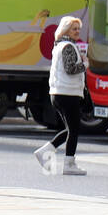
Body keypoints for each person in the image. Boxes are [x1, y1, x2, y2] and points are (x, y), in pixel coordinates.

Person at [35, 16, 89, 176]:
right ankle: (69, 163)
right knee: (73, 129)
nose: (77, 31)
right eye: (74, 29)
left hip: (60, 92)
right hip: (67, 93)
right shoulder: (67, 47)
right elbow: (70, 69)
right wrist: (85, 64)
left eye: (78, 28)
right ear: (65, 30)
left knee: (71, 128)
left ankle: (46, 152)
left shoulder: (60, 45)